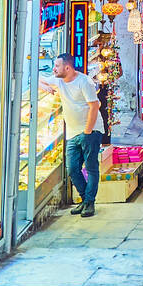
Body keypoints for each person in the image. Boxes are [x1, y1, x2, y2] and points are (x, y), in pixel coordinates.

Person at [40, 54, 105, 217]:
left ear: (67, 68)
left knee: (91, 168)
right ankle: (85, 199)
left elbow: (94, 106)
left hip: (90, 132)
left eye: (57, 66)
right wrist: (46, 87)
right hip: (72, 133)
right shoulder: (59, 80)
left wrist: (87, 131)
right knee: (72, 168)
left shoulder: (84, 82)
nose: (54, 69)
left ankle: (89, 202)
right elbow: (36, 78)